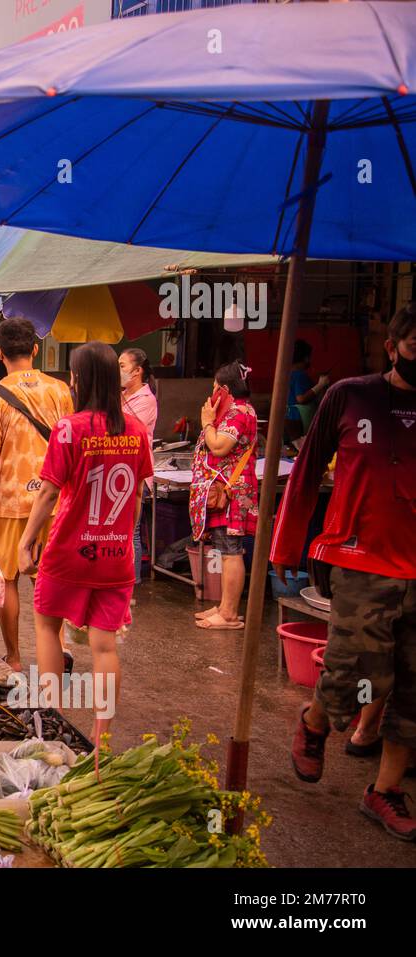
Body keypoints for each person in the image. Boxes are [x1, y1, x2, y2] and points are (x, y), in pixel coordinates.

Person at [277, 306, 416, 840]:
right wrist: (287, 549)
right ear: (392, 345)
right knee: (351, 674)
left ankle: (385, 790)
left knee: (413, 689)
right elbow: (307, 471)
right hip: (361, 562)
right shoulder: (350, 395)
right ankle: (316, 722)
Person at [18, 341, 153, 743]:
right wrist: (123, 542)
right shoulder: (137, 430)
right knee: (104, 646)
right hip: (116, 555)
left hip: (69, 553)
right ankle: (102, 742)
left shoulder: (70, 428)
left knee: (47, 626)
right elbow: (138, 497)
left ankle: (51, 727)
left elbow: (47, 493)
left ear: (80, 380)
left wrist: (26, 542)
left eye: (73, 375)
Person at [0, 317, 75, 670]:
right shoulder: (60, 390)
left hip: (10, 502)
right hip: (54, 500)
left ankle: (13, 657)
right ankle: (54, 654)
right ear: (36, 349)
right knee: (50, 579)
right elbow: (71, 446)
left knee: (8, 580)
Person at [188, 361, 260, 630]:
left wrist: (207, 423)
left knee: (232, 552)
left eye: (215, 387)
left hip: (233, 493)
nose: (212, 392)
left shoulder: (240, 413)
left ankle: (229, 613)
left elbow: (219, 446)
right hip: (223, 492)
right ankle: (223, 606)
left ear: (225, 388)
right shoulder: (234, 411)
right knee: (225, 548)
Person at [119, 348, 159, 583]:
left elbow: (126, 430)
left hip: (137, 472)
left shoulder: (146, 400)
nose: (118, 370)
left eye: (122, 366)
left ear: (137, 371)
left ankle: (130, 583)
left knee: (131, 531)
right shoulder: (122, 395)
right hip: (119, 470)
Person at [287, 339, 331, 442]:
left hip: (288, 417)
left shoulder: (287, 374)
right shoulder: (300, 375)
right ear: (306, 358)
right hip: (299, 419)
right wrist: (321, 385)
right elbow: (301, 399)